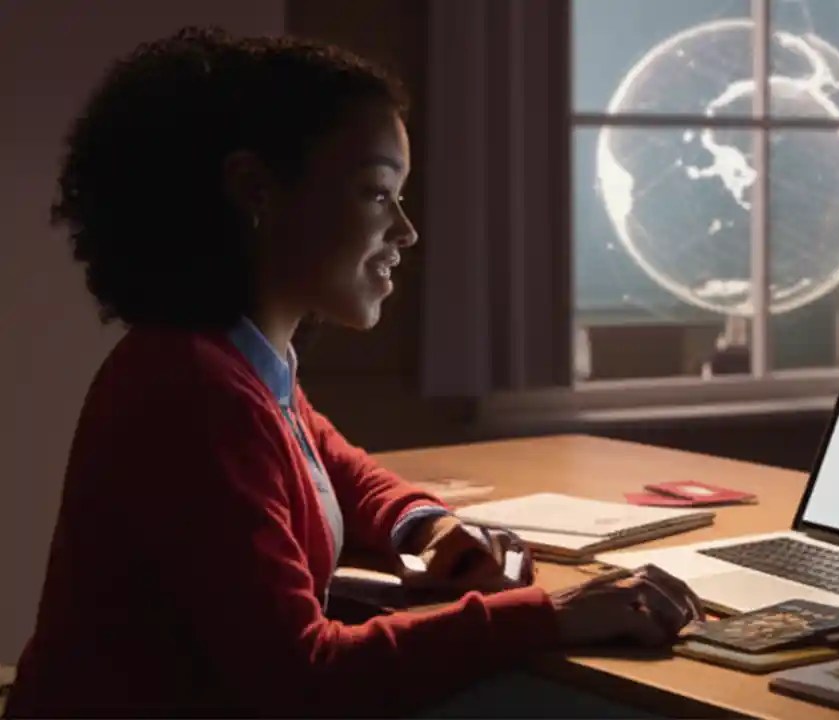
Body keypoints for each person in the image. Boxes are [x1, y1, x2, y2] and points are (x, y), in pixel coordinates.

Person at [5, 27, 702, 718]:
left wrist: (424, 525)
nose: (405, 230)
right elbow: (306, 678)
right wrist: (553, 614)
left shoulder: (236, 363)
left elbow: (339, 468)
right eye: (377, 193)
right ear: (257, 190)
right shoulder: (194, 391)